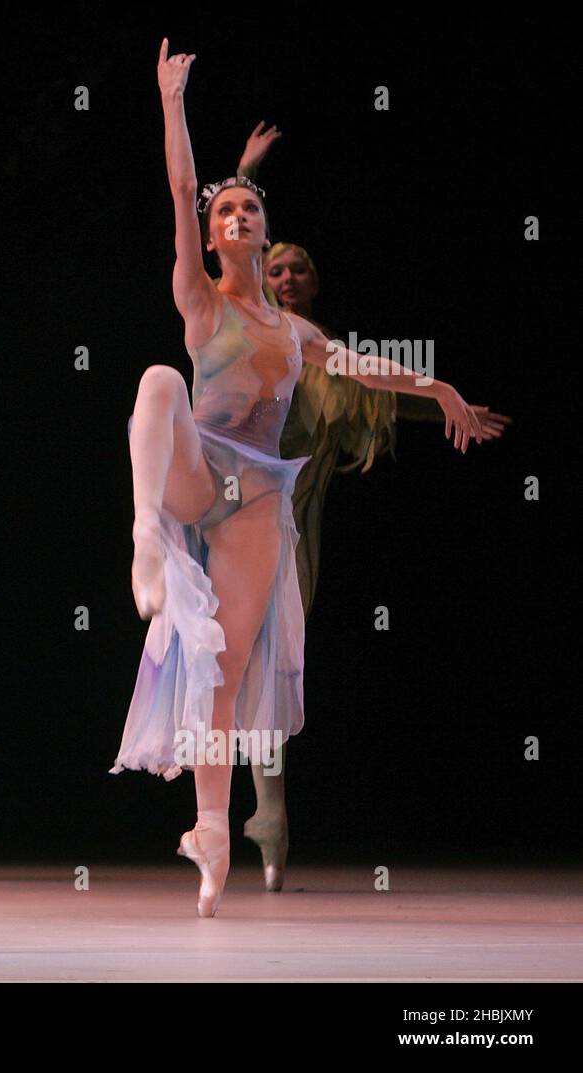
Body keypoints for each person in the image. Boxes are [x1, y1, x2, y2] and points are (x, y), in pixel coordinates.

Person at [110, 42, 487, 917]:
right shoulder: (199, 298)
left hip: (258, 498)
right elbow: (179, 189)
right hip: (199, 471)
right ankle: (144, 543)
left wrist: (434, 384)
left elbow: (357, 365)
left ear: (266, 232)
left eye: (250, 209)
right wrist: (172, 103)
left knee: (224, 669)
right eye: (228, 210)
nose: (238, 217)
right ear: (212, 235)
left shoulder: (295, 332)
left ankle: (212, 829)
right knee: (159, 383)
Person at [230, 131, 510, 891]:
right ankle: (259, 810)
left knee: (267, 668)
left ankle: (269, 810)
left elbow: (377, 386)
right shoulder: (246, 324)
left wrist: (445, 400)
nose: (284, 274)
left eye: (298, 268)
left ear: (313, 286)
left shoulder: (323, 355)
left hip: (289, 530)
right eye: (275, 265)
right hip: (223, 512)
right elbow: (232, 241)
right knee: (224, 664)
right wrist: (247, 172)